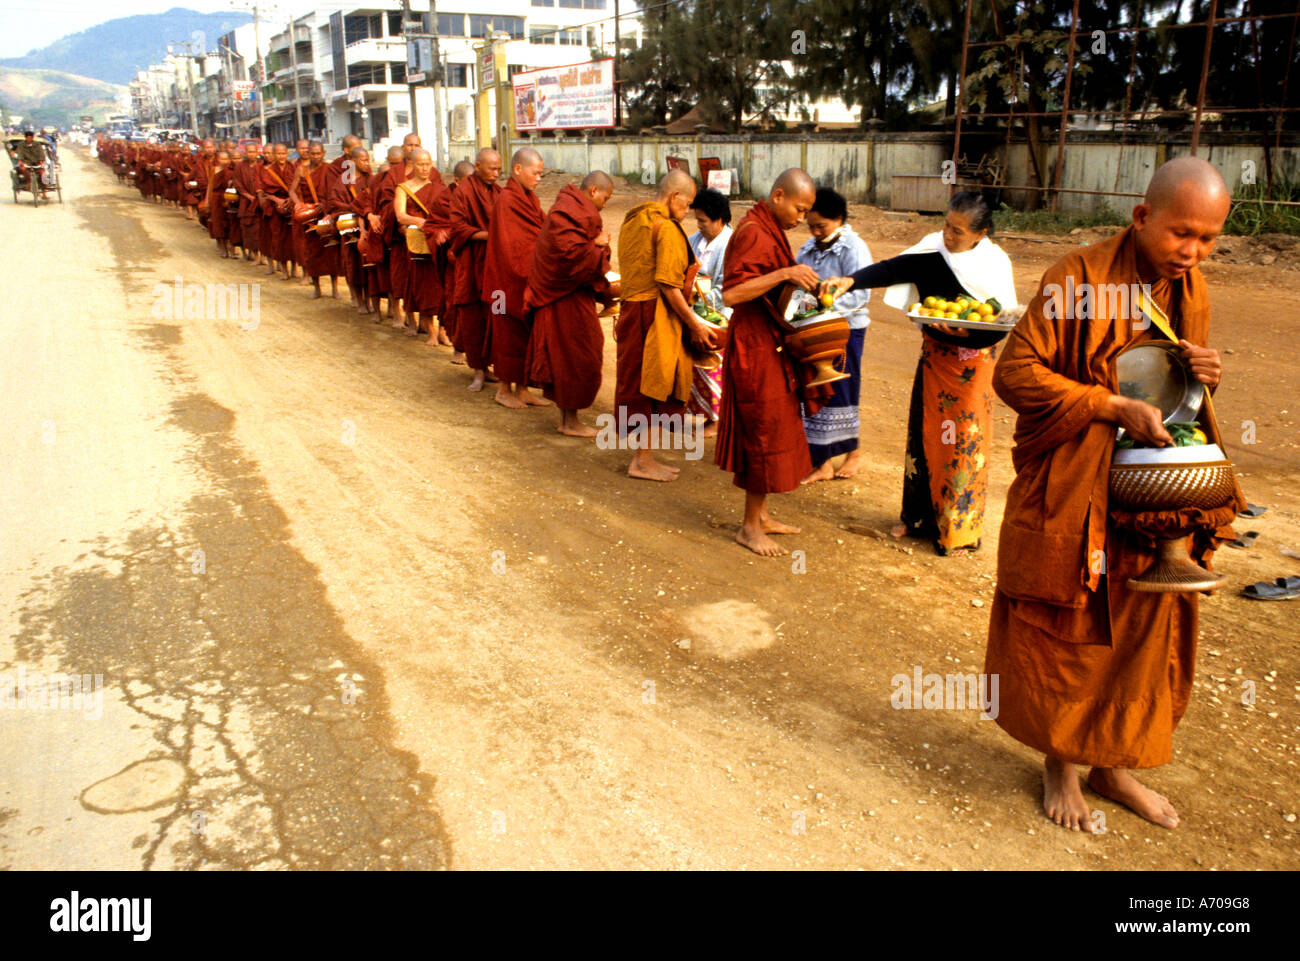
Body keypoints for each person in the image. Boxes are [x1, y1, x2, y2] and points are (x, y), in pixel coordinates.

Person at [982, 157, 1243, 834]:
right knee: (1071, 621)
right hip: (1077, 480)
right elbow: (1015, 373)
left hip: (1147, 493)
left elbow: (1178, 392)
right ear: (1141, 216)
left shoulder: (1193, 289)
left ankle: (1111, 762)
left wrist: (1206, 372)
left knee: (1141, 624)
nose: (1193, 250)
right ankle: (1061, 761)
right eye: (1182, 233)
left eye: (1209, 238)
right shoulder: (1077, 279)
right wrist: (1107, 405)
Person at [822, 191, 1018, 555]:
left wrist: (969, 333)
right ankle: (916, 520)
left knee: (960, 445)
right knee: (924, 438)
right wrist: (851, 280)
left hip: (971, 371)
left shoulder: (993, 263)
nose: (948, 235)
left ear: (981, 233)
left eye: (958, 231)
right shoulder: (932, 250)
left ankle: (957, 530)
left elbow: (1002, 321)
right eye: (946, 225)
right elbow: (895, 268)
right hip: (934, 361)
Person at [715, 169, 821, 555]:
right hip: (753, 346)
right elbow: (732, 294)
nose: (801, 218)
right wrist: (786, 272)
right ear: (778, 195)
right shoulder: (753, 232)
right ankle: (747, 526)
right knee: (763, 428)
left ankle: (761, 516)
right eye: (799, 208)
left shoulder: (770, 228)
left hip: (769, 340)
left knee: (776, 425)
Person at [616, 169, 718, 481]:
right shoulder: (668, 229)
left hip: (632, 311)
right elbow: (669, 286)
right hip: (654, 317)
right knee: (656, 384)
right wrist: (695, 324)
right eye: (686, 204)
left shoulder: (633, 219)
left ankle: (644, 457)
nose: (687, 212)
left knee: (642, 382)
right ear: (674, 197)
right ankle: (641, 461)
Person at [525, 171, 618, 437]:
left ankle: (569, 418)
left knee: (579, 354)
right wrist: (596, 245)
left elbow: (578, 254)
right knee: (577, 356)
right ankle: (569, 421)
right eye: (605, 197)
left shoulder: (573, 210)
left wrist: (595, 247)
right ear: (593, 191)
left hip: (575, 296)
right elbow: (567, 258)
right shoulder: (564, 213)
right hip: (562, 298)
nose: (605, 204)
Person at [796, 188, 873, 483]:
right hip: (814, 330)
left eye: (821, 226)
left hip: (846, 330)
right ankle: (822, 460)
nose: (816, 232)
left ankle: (852, 452)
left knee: (843, 390)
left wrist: (823, 308)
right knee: (817, 392)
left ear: (838, 219)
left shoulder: (854, 248)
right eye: (811, 226)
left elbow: (860, 295)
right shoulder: (807, 248)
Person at [482, 147, 549, 409]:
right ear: (519, 169)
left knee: (524, 335)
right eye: (535, 173)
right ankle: (503, 389)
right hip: (504, 282)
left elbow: (539, 231)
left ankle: (522, 389)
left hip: (522, 280)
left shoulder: (528, 198)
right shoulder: (508, 200)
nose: (538, 179)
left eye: (541, 175)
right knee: (505, 336)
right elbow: (512, 245)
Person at [448, 149, 503, 392]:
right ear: (478, 166)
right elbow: (457, 229)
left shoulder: (499, 192)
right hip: (471, 265)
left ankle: (489, 366)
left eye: (499, 169)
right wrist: (488, 236)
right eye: (492, 169)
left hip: (493, 264)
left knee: (493, 316)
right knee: (472, 319)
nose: (496, 174)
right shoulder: (463, 193)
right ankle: (478, 371)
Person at [686, 188, 733, 437]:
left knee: (714, 368)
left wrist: (696, 299)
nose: (699, 225)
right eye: (698, 220)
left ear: (719, 219)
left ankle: (717, 419)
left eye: (703, 220)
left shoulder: (731, 245)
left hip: (721, 317)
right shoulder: (693, 240)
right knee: (695, 367)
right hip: (693, 312)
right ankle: (702, 414)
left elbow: (726, 286)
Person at [393, 148, 446, 339]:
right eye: (421, 164)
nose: (425, 168)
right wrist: (419, 222)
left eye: (428, 164)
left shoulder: (440, 188)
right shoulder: (403, 188)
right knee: (422, 286)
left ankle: (442, 330)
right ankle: (431, 331)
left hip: (437, 243)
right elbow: (400, 216)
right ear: (412, 165)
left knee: (440, 286)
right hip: (417, 242)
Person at [328, 145, 378, 314]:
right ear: (354, 161)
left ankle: (370, 300)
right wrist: (353, 207)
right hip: (350, 228)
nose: (367, 163)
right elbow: (334, 202)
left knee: (367, 265)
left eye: (368, 160)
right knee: (353, 264)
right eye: (363, 160)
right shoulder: (343, 180)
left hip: (367, 227)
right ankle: (358, 299)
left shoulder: (370, 179)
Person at [289, 141, 339, 299]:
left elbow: (336, 191)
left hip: (326, 214)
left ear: (323, 153)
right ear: (307, 154)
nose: (316, 157)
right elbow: (292, 190)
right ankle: (317, 287)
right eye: (312, 154)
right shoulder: (301, 170)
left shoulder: (329, 169)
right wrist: (299, 205)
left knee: (330, 251)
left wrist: (326, 207)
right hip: (310, 216)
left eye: (319, 154)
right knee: (312, 252)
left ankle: (335, 288)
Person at [15, 130, 48, 197]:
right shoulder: (21, 145)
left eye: (31, 138)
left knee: (43, 174)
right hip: (26, 163)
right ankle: (28, 182)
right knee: (23, 169)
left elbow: (41, 154)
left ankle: (44, 192)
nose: (29, 139)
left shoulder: (37, 144)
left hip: (36, 163)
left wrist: (41, 162)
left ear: (33, 138)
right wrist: (21, 162)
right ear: (26, 138)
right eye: (28, 138)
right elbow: (20, 155)